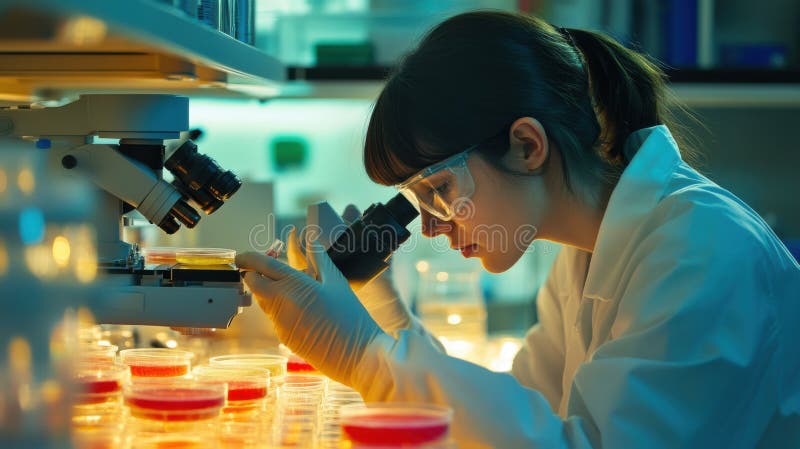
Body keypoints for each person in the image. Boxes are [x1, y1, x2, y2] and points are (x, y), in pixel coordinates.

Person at [236, 11, 800, 448]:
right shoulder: (584, 255)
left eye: (440, 191)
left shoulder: (704, 252)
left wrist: (370, 358)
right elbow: (527, 417)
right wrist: (390, 324)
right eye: (417, 202)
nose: (430, 227)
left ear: (527, 146)